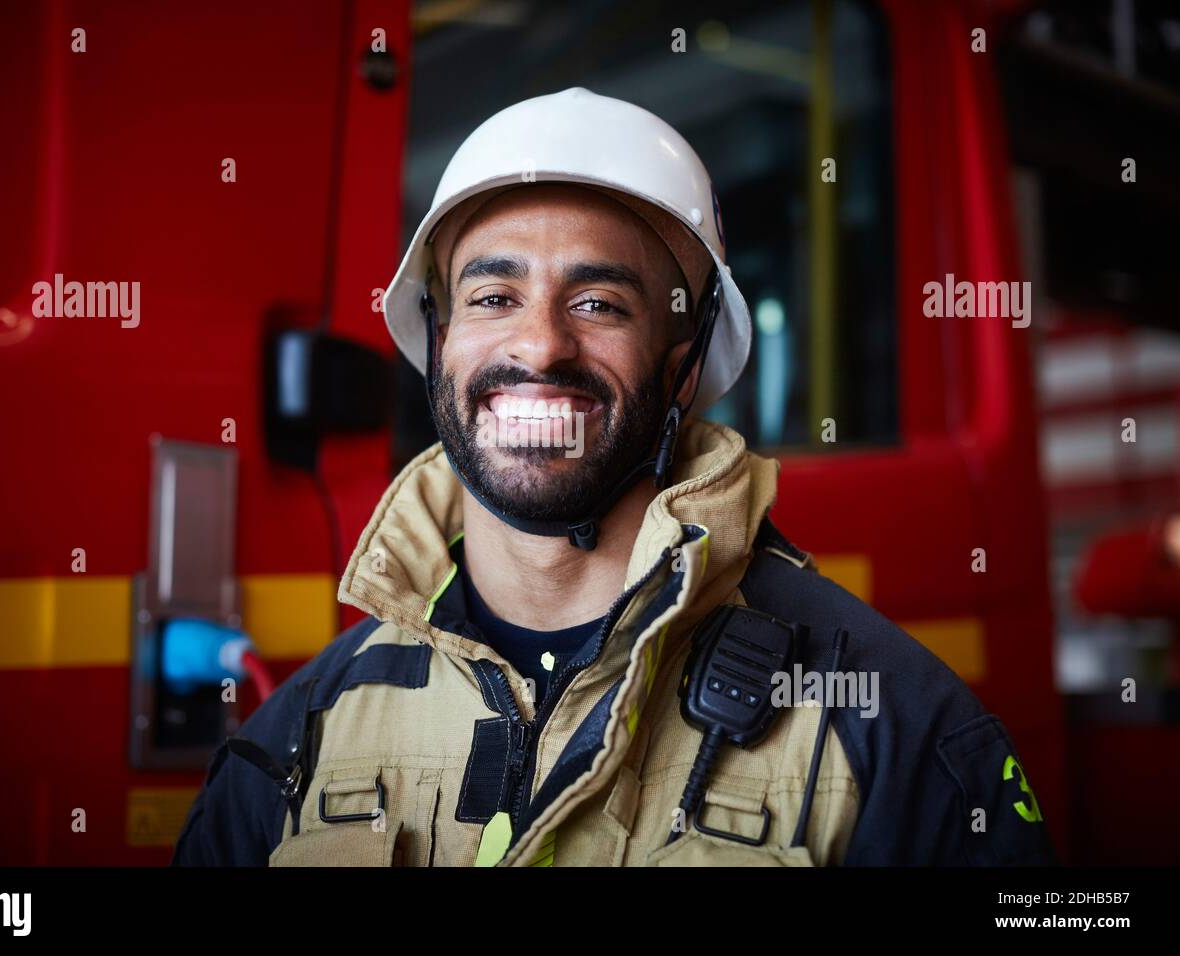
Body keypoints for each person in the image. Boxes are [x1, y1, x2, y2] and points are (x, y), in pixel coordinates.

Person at [173, 88, 1057, 866]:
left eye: (599, 303)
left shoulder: (890, 731)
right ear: (438, 339)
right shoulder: (298, 739)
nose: (541, 344)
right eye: (492, 297)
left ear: (682, 362)